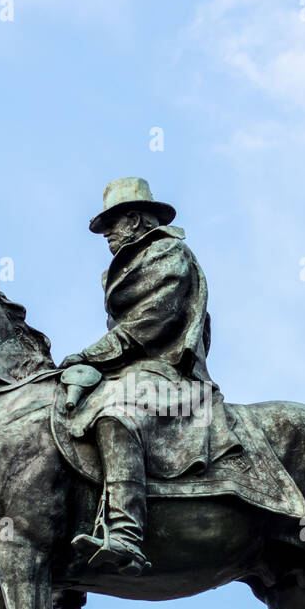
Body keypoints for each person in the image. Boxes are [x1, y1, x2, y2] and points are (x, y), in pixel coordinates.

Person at [59, 177, 240, 574]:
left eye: (113, 224)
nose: (106, 235)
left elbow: (153, 322)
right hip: (129, 368)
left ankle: (125, 535)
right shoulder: (118, 270)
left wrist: (89, 355)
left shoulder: (168, 253)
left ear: (137, 219)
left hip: (168, 370)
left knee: (113, 415)